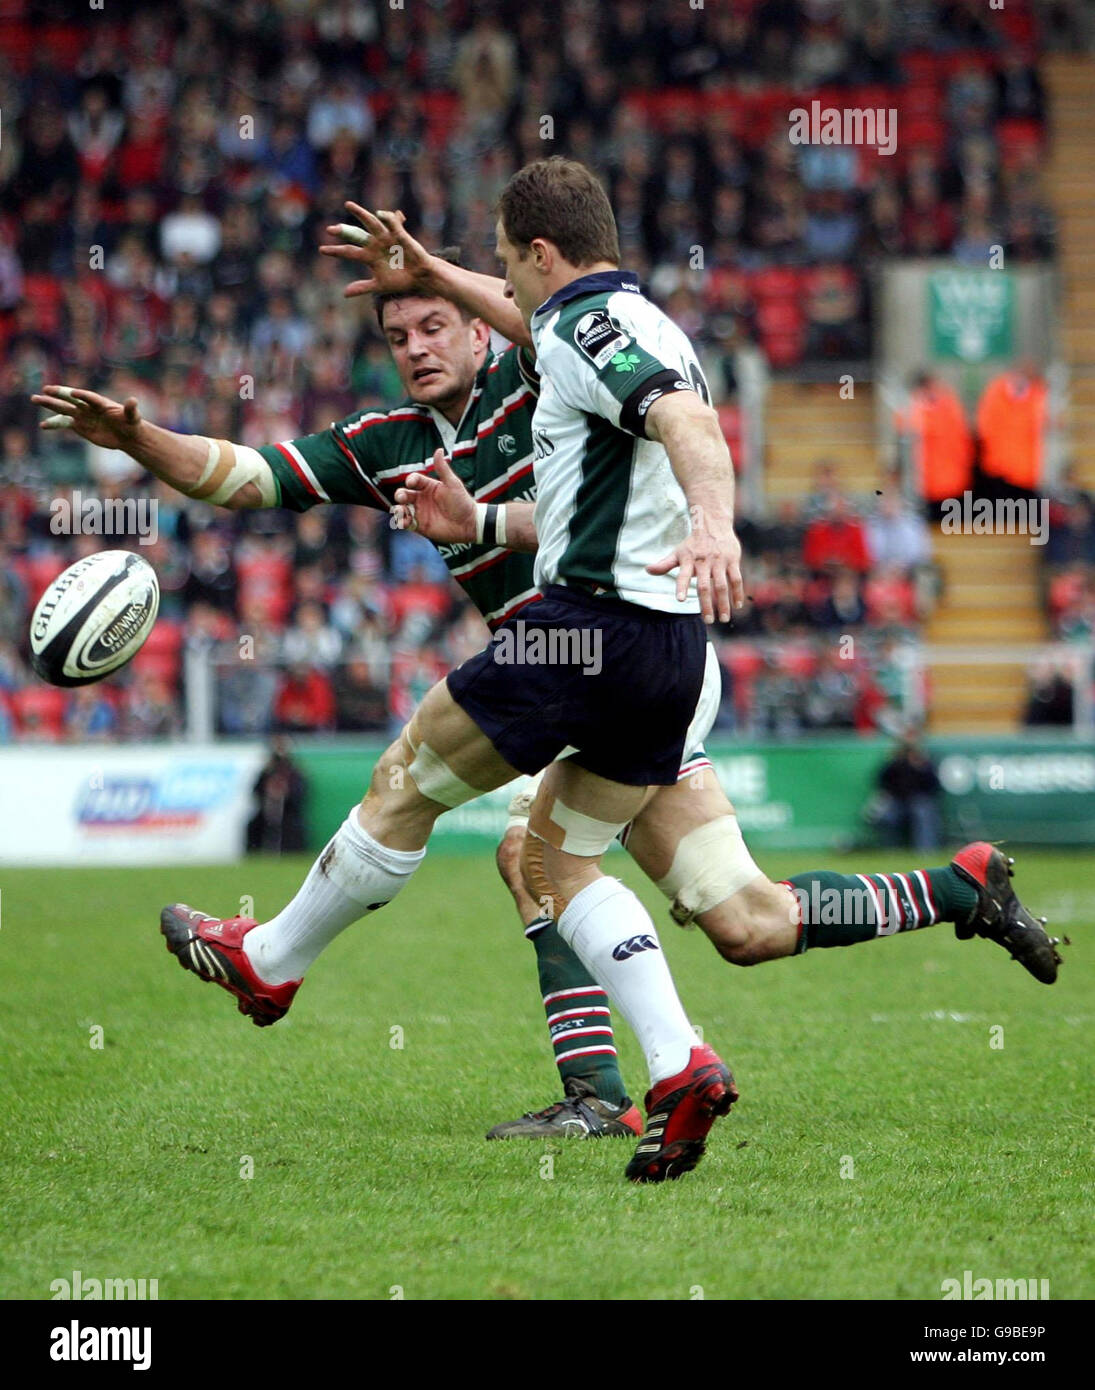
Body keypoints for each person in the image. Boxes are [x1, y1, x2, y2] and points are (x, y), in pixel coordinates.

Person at [33, 164, 1063, 1167]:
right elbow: (247, 476)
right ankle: (948, 893)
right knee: (736, 915)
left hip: (587, 638)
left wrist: (712, 524)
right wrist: (142, 440)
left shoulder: (551, 359)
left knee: (443, 802)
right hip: (648, 646)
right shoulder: (396, 437)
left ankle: (291, 972)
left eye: (439, 316)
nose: (418, 340)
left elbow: (669, 413)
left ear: (497, 308)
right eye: (399, 333)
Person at [874, 736, 944, 851]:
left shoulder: (925, 765)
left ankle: (926, 850)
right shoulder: (895, 765)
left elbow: (934, 785)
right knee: (886, 816)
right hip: (898, 801)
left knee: (923, 813)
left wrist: (920, 768)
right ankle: (891, 850)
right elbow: (882, 781)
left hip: (919, 800)